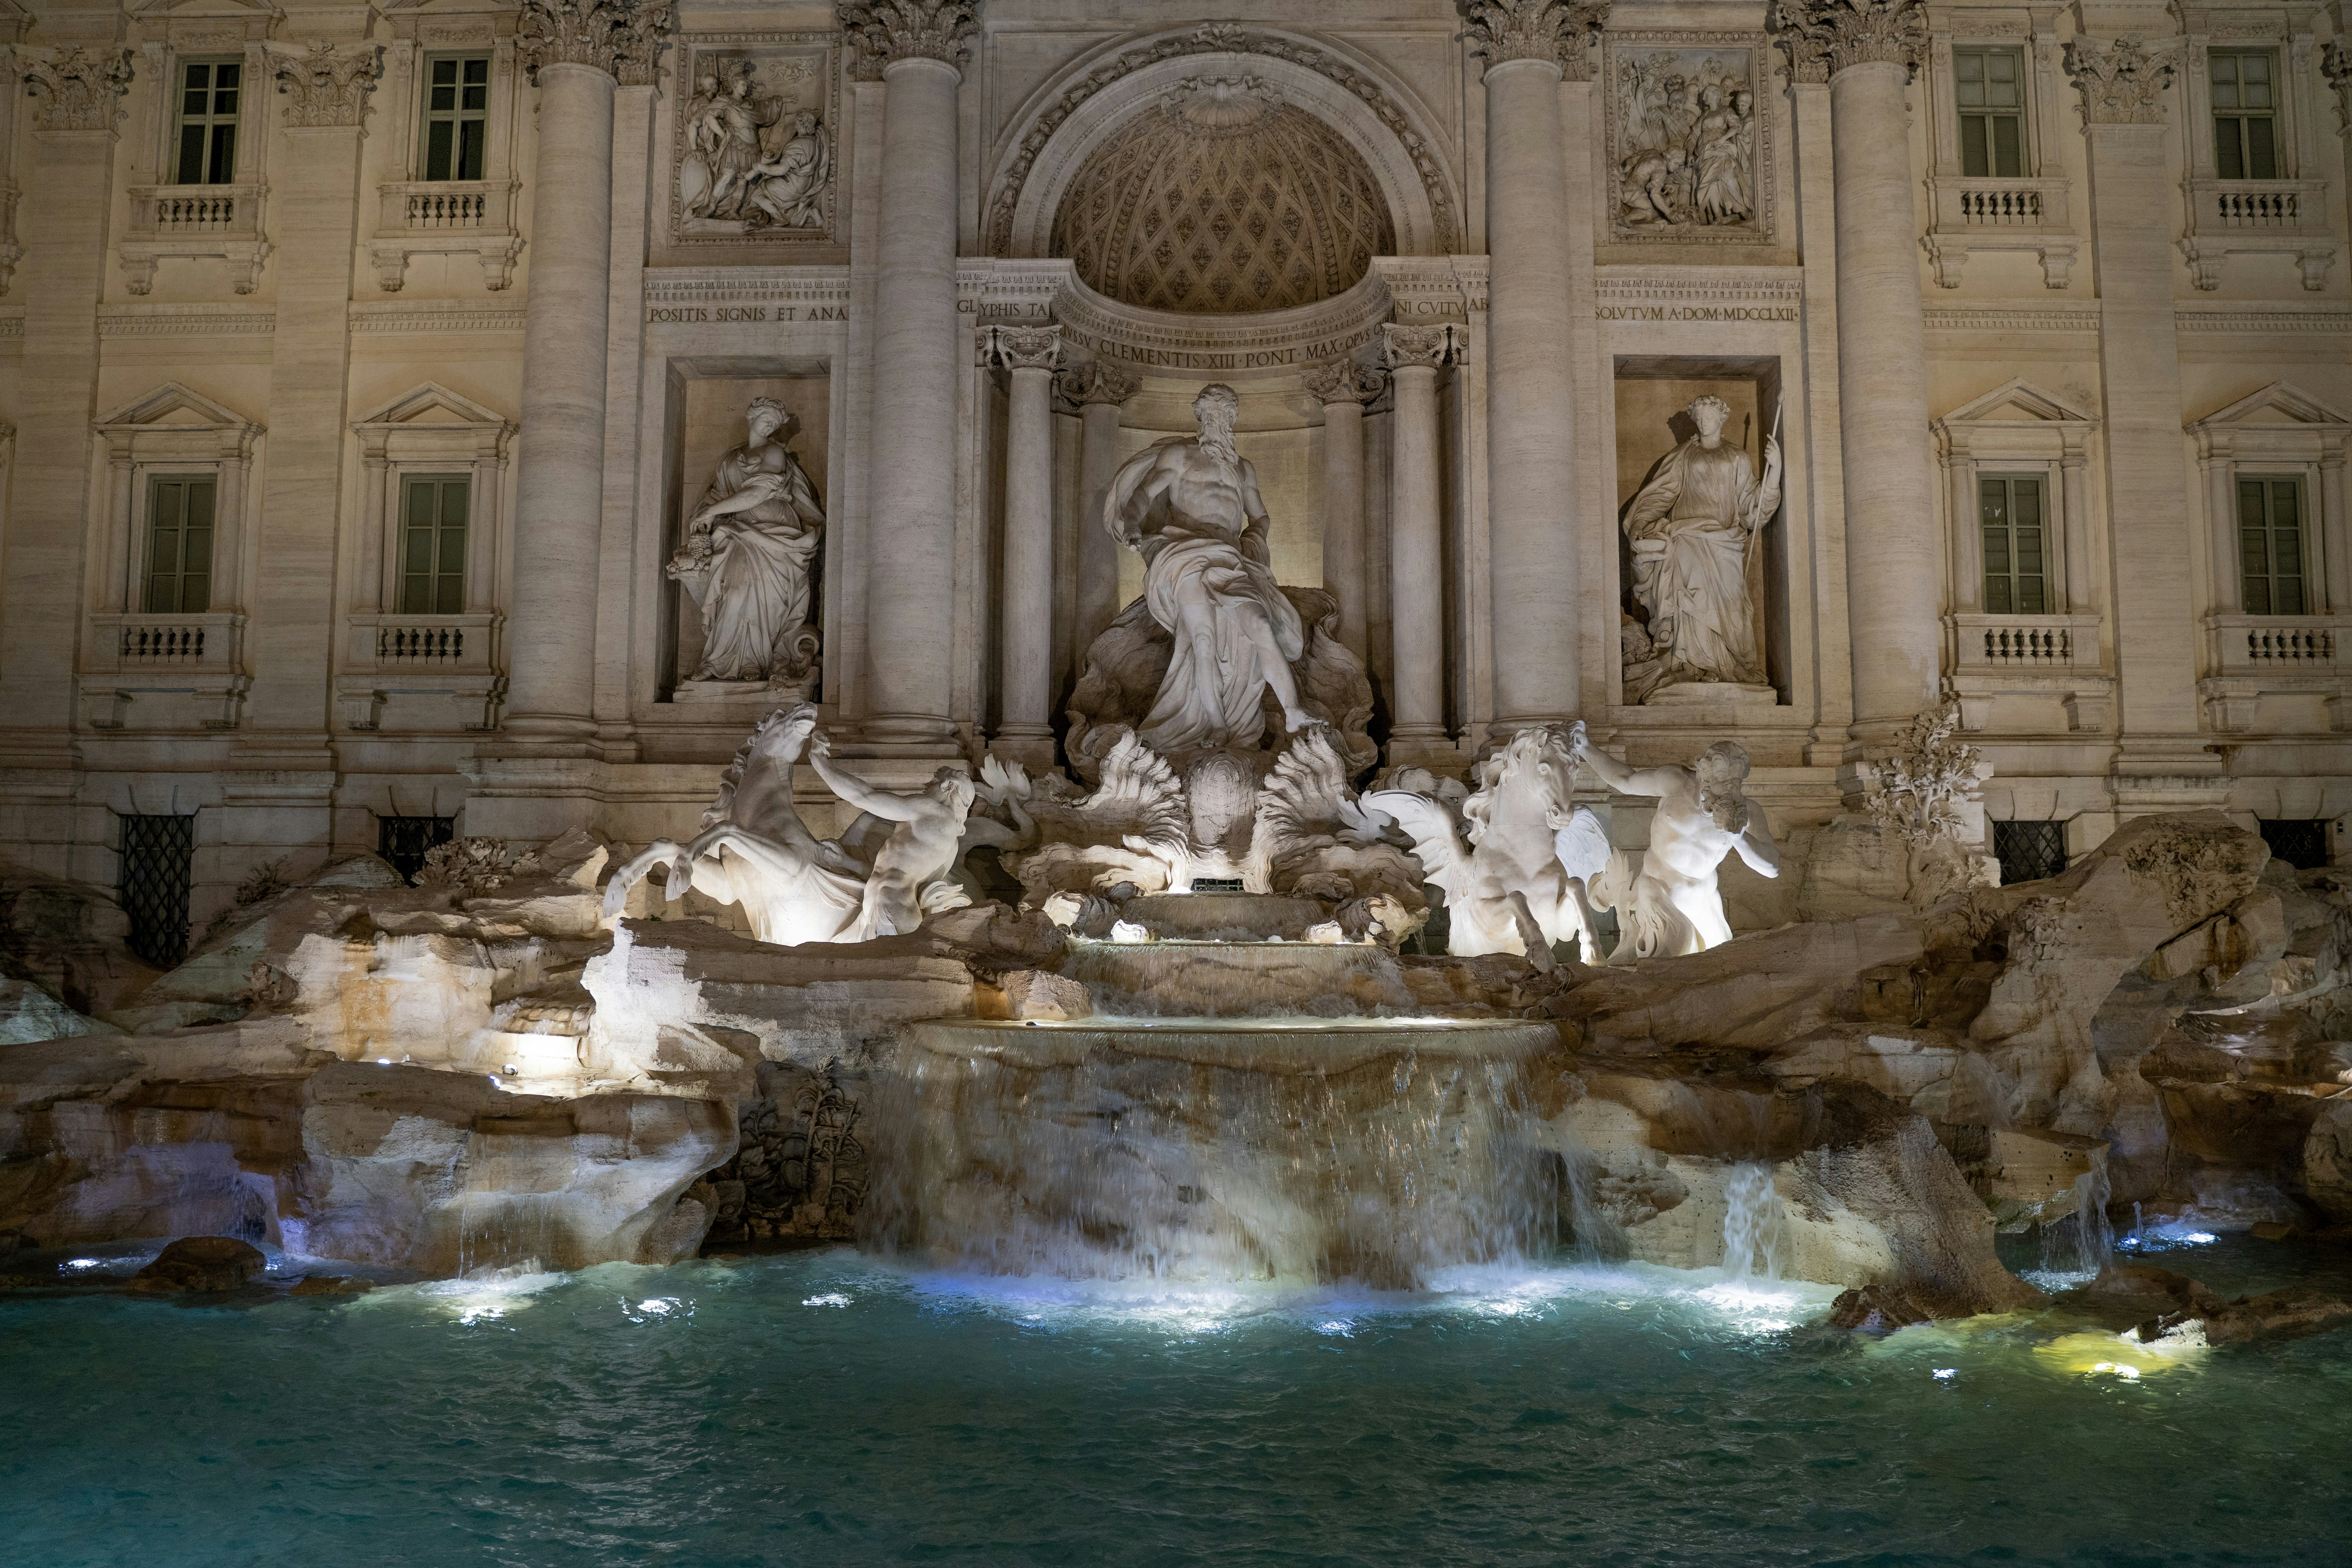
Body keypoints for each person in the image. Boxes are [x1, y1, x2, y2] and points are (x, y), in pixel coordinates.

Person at [1102, 382, 1316, 754]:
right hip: (1184, 553)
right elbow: (1144, 495)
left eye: (1228, 413)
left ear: (1234, 418)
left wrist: (1254, 541)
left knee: (1260, 624)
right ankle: (1216, 725)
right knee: (1202, 640)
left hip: (1230, 558)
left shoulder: (1243, 469)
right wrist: (1134, 523)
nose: (1221, 419)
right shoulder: (1179, 455)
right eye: (1213, 412)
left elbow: (1260, 516)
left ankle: (1294, 711)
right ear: (1200, 415)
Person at [1620, 394, 1779, 694]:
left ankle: (1727, 667)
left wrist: (1776, 471)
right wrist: (1641, 523)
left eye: (1710, 418)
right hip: (1686, 539)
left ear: (1722, 420)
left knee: (1731, 607)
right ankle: (1688, 665)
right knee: (1687, 601)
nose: (1704, 424)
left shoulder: (1737, 458)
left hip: (1725, 544)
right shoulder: (1684, 456)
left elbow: (1754, 510)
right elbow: (1660, 495)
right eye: (1700, 418)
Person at [1569, 736, 1779, 959]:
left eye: (1737, 783)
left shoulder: (1747, 812)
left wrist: (1737, 836)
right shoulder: (1676, 782)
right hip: (1658, 892)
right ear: (1704, 775)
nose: (1732, 790)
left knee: (1722, 966)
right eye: (1724, 781)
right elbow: (1625, 779)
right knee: (1668, 968)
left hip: (1704, 900)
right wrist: (1584, 746)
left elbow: (1772, 869)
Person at [669, 397, 824, 684]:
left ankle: (756, 663)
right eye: (767, 419)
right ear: (751, 417)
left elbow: (757, 494)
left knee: (764, 600)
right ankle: (718, 662)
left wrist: (713, 511)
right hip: (738, 532)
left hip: (775, 532)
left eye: (776, 424)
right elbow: (717, 496)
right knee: (735, 593)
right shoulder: (730, 459)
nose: (771, 426)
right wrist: (704, 519)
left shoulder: (775, 453)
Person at [805, 729, 976, 940]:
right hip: (888, 910)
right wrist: (845, 861)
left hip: (891, 909)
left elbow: (864, 796)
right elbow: (893, 873)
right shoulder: (952, 844)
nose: (926, 785)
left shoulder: (932, 809)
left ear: (949, 787)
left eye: (933, 781)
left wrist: (820, 763)